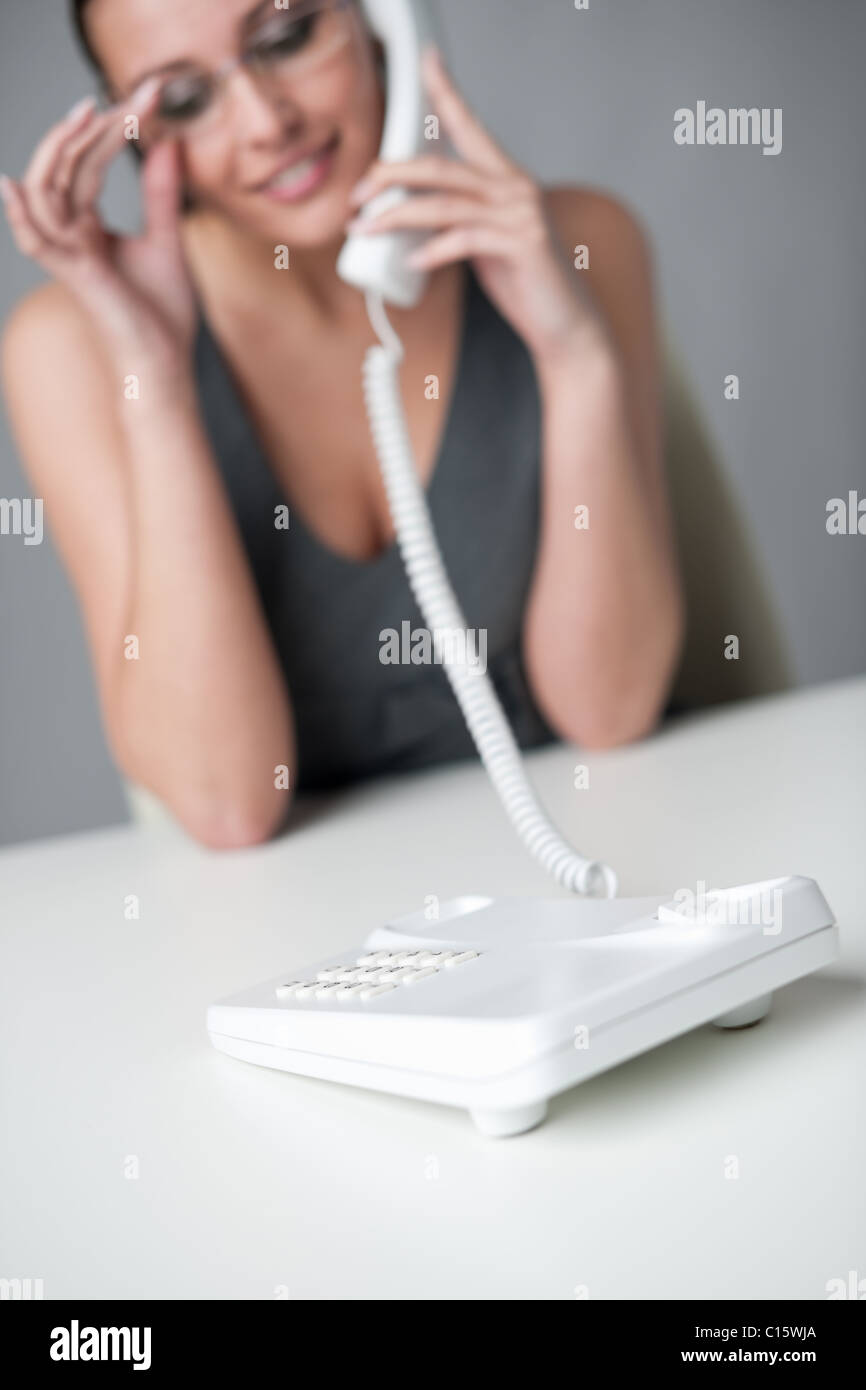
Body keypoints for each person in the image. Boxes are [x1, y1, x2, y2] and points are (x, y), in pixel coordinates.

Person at [0, 0, 684, 848]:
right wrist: (159, 383)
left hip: (610, 848)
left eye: (287, 37)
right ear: (131, 134)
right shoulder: (72, 348)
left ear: (385, 19)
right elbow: (229, 805)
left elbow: (610, 710)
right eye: (181, 100)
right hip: (314, 941)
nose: (266, 123)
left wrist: (576, 358)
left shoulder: (581, 242)